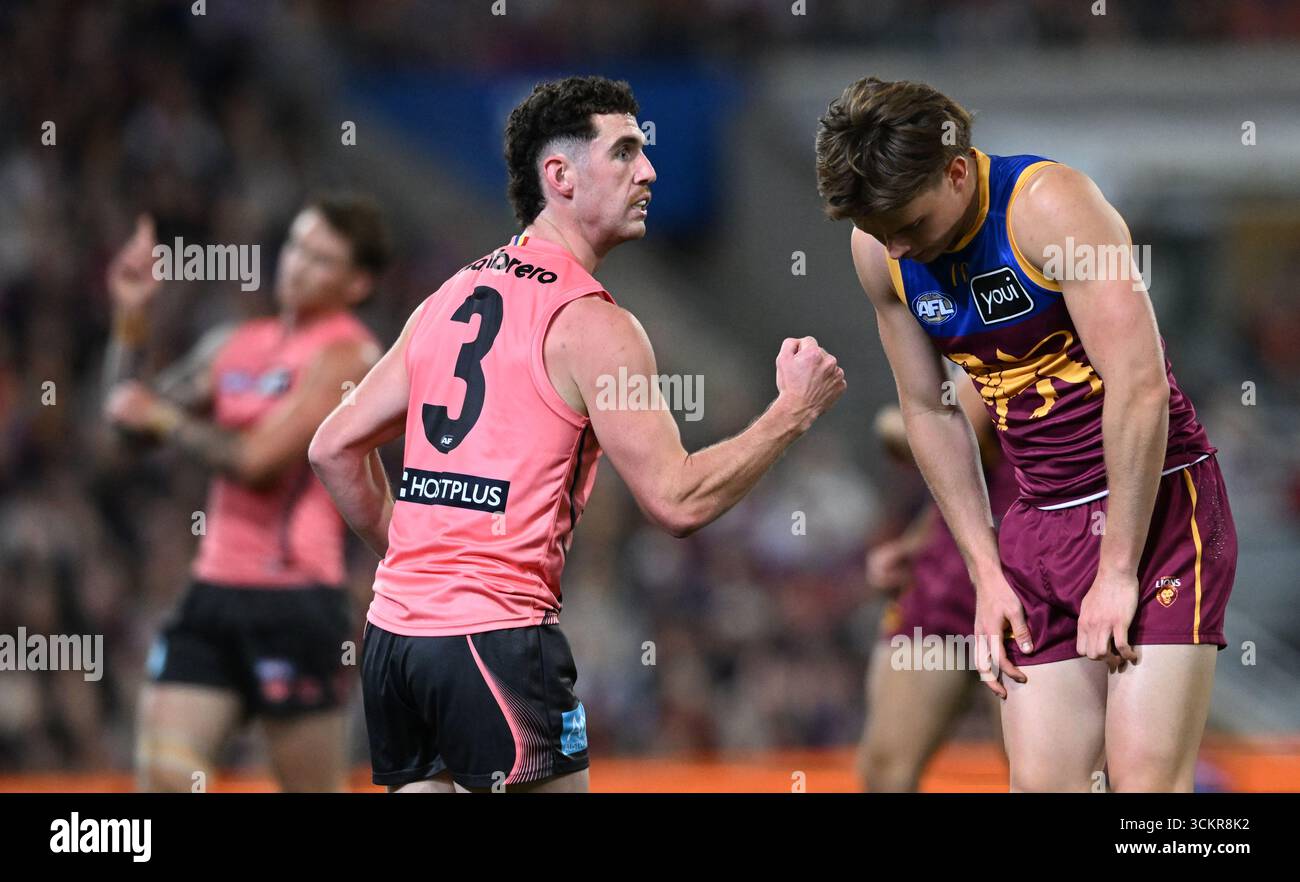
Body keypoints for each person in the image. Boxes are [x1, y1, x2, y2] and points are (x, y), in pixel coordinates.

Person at [309, 75, 846, 793]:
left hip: (398, 643)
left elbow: (333, 446)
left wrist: (420, 562)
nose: (648, 170)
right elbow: (678, 501)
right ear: (558, 176)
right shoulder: (594, 325)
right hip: (497, 639)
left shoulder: (450, 296)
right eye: (624, 152)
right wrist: (792, 412)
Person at [816, 76, 1236, 792]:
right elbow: (929, 410)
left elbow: (1139, 388)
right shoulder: (879, 249)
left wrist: (1118, 568)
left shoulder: (1050, 208)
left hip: (1158, 509)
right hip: (1036, 525)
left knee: (1145, 796)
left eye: (911, 225)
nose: (900, 247)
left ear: (955, 170)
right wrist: (985, 574)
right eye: (883, 233)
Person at [102, 195, 390, 791]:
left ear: (357, 283)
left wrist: (167, 420)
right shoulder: (234, 343)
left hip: (296, 602)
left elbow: (258, 461)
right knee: (162, 779)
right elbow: (126, 425)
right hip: (213, 593)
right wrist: (131, 321)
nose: (297, 265)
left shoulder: (351, 354)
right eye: (296, 247)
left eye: (321, 259)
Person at [858, 380, 1014, 792]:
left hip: (1034, 578)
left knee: (1041, 775)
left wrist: (893, 423)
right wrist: (916, 541)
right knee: (885, 771)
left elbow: (955, 429)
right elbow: (971, 467)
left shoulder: (1030, 329)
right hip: (948, 576)